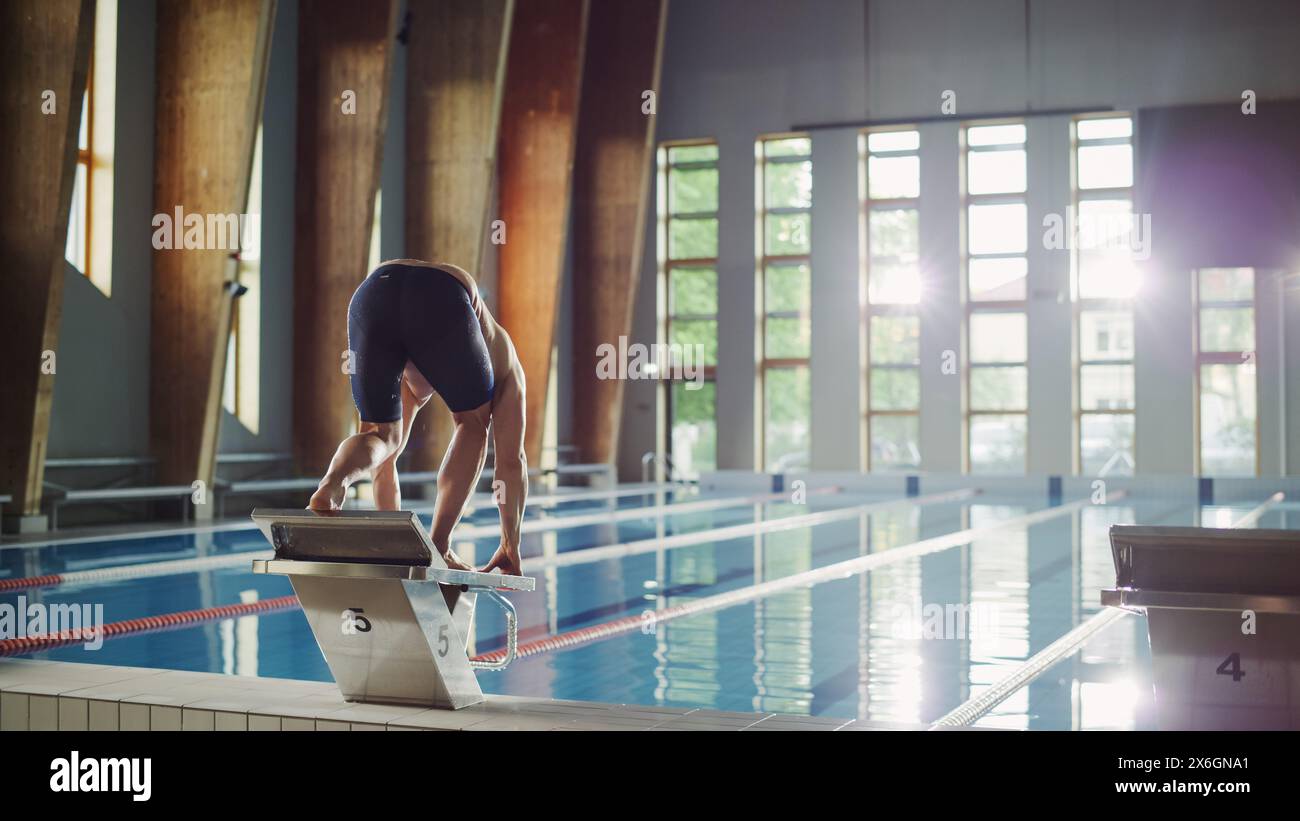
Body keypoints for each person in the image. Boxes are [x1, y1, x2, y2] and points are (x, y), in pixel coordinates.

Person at [308, 259, 527, 577]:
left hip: (373, 293)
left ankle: (330, 486)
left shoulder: (410, 380)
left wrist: (394, 544)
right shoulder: (508, 367)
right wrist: (510, 544)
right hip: (441, 293)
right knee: (472, 424)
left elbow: (383, 468)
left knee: (382, 436)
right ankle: (439, 546)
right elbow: (511, 462)